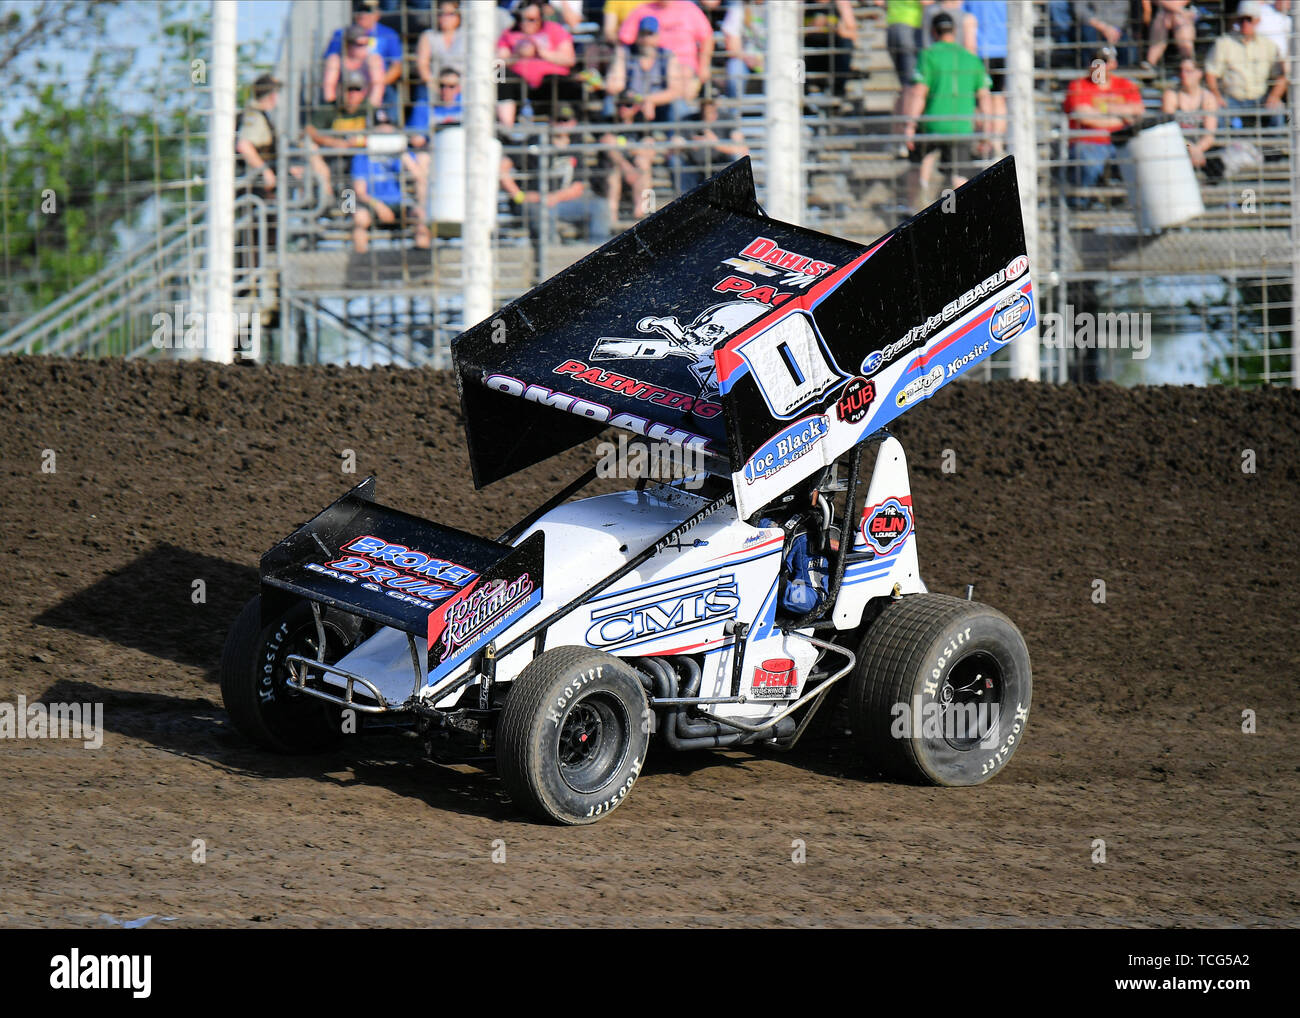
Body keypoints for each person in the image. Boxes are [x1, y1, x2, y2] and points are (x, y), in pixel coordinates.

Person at [902, 11, 991, 212]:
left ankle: (914, 207)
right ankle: (959, 213)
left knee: (920, 161)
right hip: (961, 126)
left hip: (933, 123)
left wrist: (910, 125)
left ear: (933, 32)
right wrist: (986, 128)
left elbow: (919, 93)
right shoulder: (971, 59)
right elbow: (985, 97)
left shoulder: (929, 55)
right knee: (959, 174)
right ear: (954, 31)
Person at [500, 106, 612, 244]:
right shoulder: (535, 142)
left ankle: (597, 254)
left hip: (560, 201)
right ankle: (554, 257)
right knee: (543, 214)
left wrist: (553, 198)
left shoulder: (576, 146)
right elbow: (503, 168)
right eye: (558, 120)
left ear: (573, 123)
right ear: (551, 122)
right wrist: (519, 196)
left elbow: (577, 188)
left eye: (565, 120)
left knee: (599, 206)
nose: (562, 124)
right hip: (535, 202)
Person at [1061, 44, 1144, 204]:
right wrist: (1119, 115)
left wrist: (1100, 111)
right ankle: (1081, 207)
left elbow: (1137, 112)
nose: (1098, 66)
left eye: (1104, 61)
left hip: (1121, 142)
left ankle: (1130, 205)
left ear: (1114, 64)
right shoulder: (1078, 85)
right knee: (1088, 161)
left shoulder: (1126, 85)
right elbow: (1083, 116)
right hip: (1089, 141)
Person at [1204, 1, 1287, 130]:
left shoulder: (1268, 46)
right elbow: (1211, 72)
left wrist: (1274, 96)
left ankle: (1274, 147)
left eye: (1248, 19)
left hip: (1260, 98)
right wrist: (1217, 96)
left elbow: (1281, 75)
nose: (1244, 23)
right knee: (1215, 108)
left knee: (1278, 108)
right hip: (1231, 99)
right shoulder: (1224, 43)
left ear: (1257, 21)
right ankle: (1221, 146)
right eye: (1241, 19)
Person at [496, 0, 578, 125]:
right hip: (519, 84)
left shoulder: (553, 29)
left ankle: (560, 126)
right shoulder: (510, 33)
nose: (526, 23)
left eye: (531, 19)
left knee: (558, 83)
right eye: (521, 19)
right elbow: (498, 63)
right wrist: (517, 55)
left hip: (549, 84)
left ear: (540, 18)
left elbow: (570, 59)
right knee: (500, 76)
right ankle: (507, 127)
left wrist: (542, 52)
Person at [307, 70, 385, 199]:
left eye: (356, 90)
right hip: (334, 158)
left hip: (360, 160)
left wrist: (360, 141)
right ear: (340, 91)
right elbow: (309, 130)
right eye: (349, 90)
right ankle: (328, 203)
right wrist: (333, 142)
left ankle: (348, 211)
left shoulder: (369, 109)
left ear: (363, 92)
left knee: (353, 176)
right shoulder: (330, 108)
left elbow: (386, 129)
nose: (352, 95)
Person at [618, 1, 714, 101]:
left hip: (684, 65)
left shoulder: (689, 8)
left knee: (683, 81)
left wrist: (704, 66)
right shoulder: (643, 10)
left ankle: (681, 111)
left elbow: (707, 37)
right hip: (653, 62)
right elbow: (625, 38)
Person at [323, 1, 402, 113]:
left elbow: (397, 66)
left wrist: (378, 82)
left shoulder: (389, 34)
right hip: (345, 81)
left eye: (368, 10)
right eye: (360, 10)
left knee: (387, 92)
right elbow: (331, 61)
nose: (363, 14)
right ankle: (334, 115)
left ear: (377, 14)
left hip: (377, 81)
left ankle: (383, 121)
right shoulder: (341, 33)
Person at [605, 16, 687, 121]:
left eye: (650, 35)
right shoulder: (625, 53)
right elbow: (614, 86)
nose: (646, 40)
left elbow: (675, 90)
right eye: (643, 35)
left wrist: (648, 100)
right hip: (629, 102)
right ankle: (610, 134)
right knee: (610, 101)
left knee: (678, 105)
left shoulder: (667, 55)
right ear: (637, 36)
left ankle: (676, 136)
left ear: (658, 36)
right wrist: (634, 102)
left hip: (659, 105)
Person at [350, 145, 431, 253]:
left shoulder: (405, 154)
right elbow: (360, 192)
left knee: (421, 214)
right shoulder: (362, 157)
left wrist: (404, 156)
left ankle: (421, 257)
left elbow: (420, 179)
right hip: (373, 205)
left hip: (400, 205)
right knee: (360, 217)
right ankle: (360, 261)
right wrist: (379, 206)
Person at [670, 97, 748, 191]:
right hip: (694, 168)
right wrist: (689, 145)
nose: (708, 111)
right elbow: (672, 147)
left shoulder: (727, 119)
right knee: (674, 160)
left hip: (720, 167)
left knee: (736, 160)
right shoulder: (688, 120)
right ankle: (683, 201)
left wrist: (715, 143)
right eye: (705, 105)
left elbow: (742, 149)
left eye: (711, 105)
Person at [963, 0, 1007, 159]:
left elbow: (964, 17)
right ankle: (996, 143)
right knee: (997, 96)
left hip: (978, 50)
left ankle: (985, 141)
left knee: (980, 98)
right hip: (1002, 49)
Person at [1161, 58, 1219, 170]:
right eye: (1181, 71)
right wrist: (1190, 148)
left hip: (1199, 146)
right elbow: (1169, 130)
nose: (1183, 74)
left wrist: (1198, 149)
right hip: (1177, 144)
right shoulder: (1171, 95)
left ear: (1199, 73)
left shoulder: (1208, 98)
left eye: (1188, 71)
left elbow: (1209, 135)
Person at [323, 23, 387, 109]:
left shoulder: (373, 60)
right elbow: (329, 88)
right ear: (348, 45)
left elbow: (378, 87)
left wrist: (370, 109)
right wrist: (334, 110)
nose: (365, 47)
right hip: (340, 105)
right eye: (360, 45)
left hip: (365, 106)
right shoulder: (336, 60)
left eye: (367, 43)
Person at [416, 2, 466, 109]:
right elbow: (422, 65)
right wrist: (437, 88)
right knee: (423, 96)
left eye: (450, 14)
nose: (445, 18)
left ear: (458, 16)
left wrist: (457, 88)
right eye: (441, 14)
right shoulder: (428, 36)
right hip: (435, 85)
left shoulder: (467, 36)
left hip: (463, 86)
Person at [1071, 0, 1137, 68]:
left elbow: (1126, 14)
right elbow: (1080, 10)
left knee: (1130, 52)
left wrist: (1114, 30)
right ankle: (1091, 72)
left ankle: (1121, 75)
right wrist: (1104, 28)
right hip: (1093, 28)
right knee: (1087, 38)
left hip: (1118, 30)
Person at [722, 0, 766, 99]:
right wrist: (749, 59)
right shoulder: (739, 7)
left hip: (776, 59)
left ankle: (799, 108)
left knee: (798, 64)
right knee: (735, 68)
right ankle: (734, 111)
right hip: (747, 59)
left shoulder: (782, 7)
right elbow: (732, 46)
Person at [1143, 0, 1197, 71]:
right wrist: (1178, 10)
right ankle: (1151, 62)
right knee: (1162, 19)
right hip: (1167, 12)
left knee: (1179, 20)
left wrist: (1175, 8)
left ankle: (1187, 59)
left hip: (1184, 11)